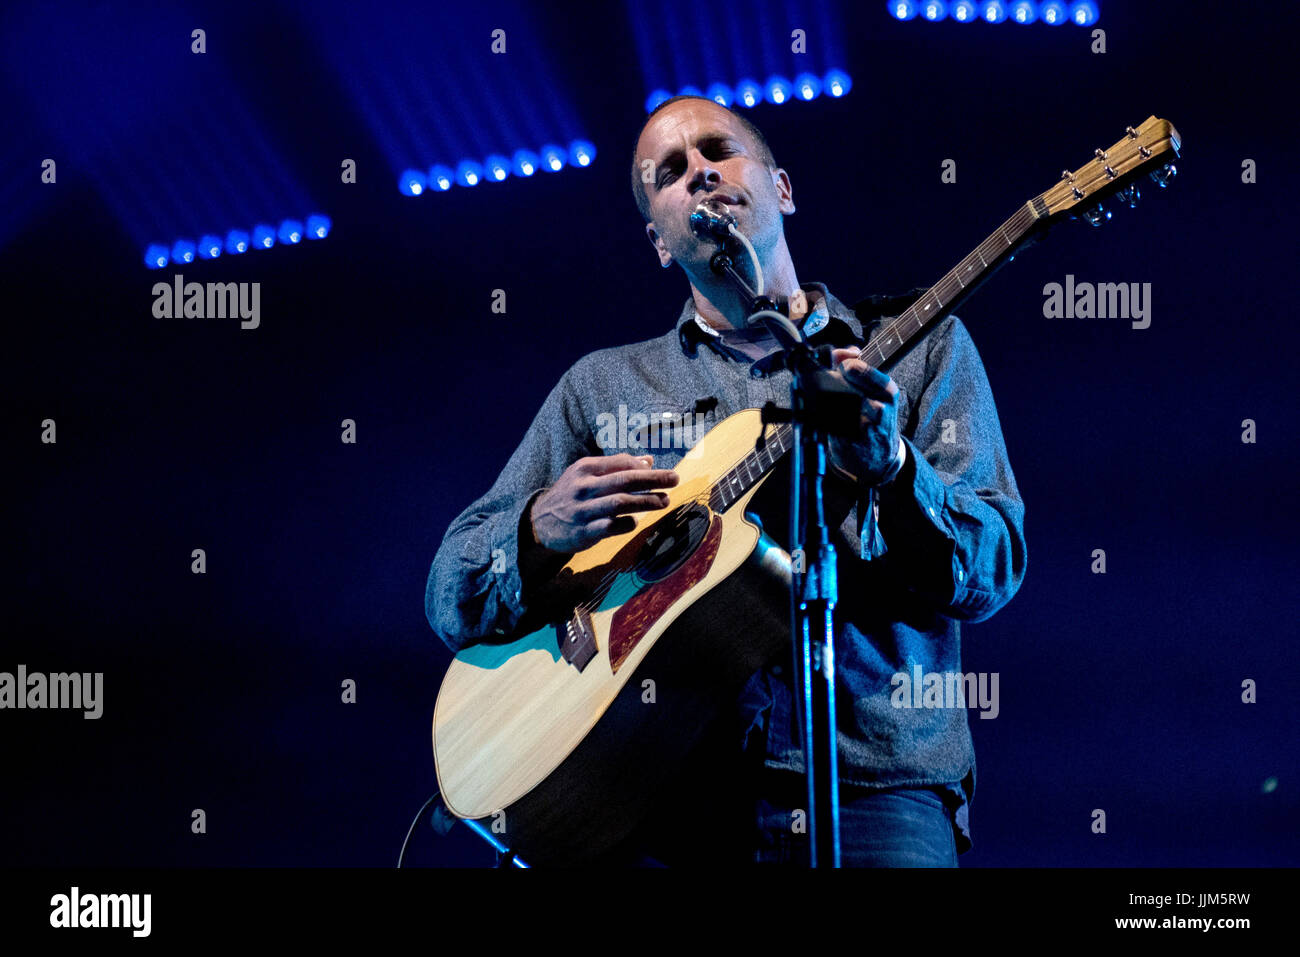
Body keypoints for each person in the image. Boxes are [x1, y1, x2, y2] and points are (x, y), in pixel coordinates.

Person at [425, 94, 1027, 866]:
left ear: (782, 188)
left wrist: (894, 470)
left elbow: (992, 568)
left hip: (875, 788)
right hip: (663, 800)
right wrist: (537, 528)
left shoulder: (920, 350)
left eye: (718, 150)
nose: (700, 172)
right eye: (670, 172)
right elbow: (450, 590)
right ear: (659, 241)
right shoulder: (602, 388)